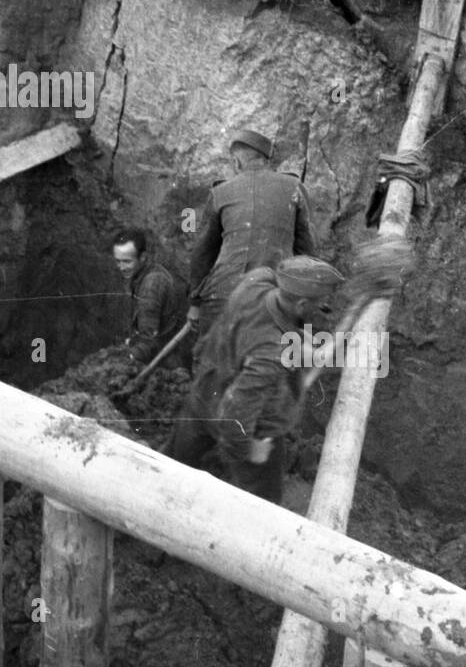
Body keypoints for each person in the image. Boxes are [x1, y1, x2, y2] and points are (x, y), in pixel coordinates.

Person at [171, 256, 344, 504]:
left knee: (172, 464)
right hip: (252, 423)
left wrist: (305, 348)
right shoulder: (270, 355)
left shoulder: (256, 281)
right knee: (262, 502)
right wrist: (249, 449)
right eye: (319, 305)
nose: (321, 309)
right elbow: (235, 419)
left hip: (203, 394)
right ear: (301, 304)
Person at [186, 127, 315, 350]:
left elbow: (203, 253)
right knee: (266, 368)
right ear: (266, 160)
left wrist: (195, 304)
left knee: (212, 367)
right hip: (273, 297)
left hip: (223, 296)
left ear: (236, 163)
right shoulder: (294, 188)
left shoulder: (220, 192)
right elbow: (307, 251)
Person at [112, 227, 185, 370]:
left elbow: (149, 340)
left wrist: (125, 361)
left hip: (163, 365)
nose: (121, 267)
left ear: (143, 257)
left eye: (127, 261)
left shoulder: (151, 286)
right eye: (118, 261)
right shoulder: (142, 274)